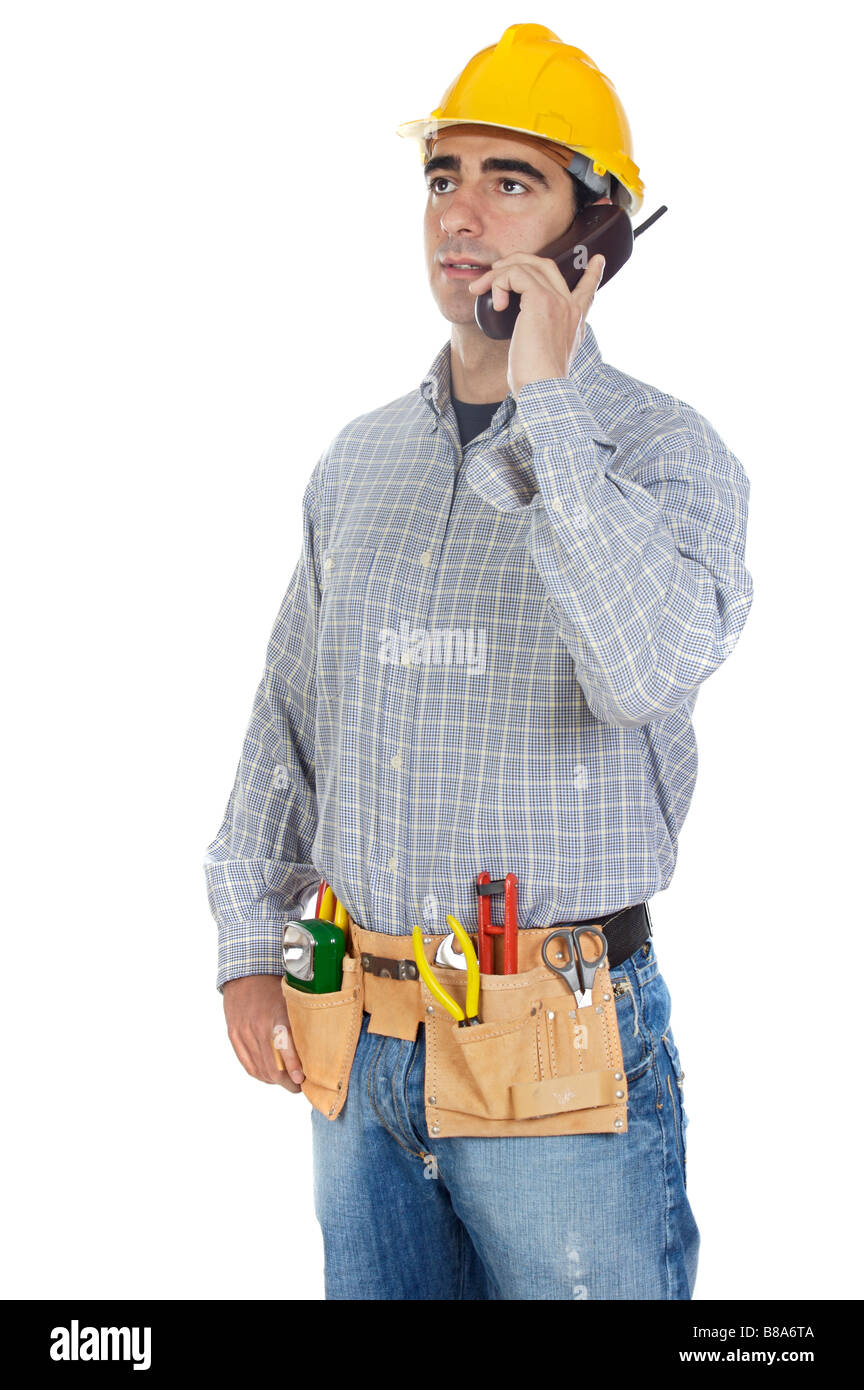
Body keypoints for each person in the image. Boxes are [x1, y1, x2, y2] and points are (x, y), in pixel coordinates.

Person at [203, 24, 753, 1300]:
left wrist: (549, 406)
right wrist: (247, 938)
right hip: (356, 1033)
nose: (463, 214)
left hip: (555, 1052)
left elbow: (641, 668)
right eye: (444, 177)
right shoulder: (359, 460)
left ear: (594, 234)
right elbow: (290, 715)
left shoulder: (668, 455)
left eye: (513, 181)